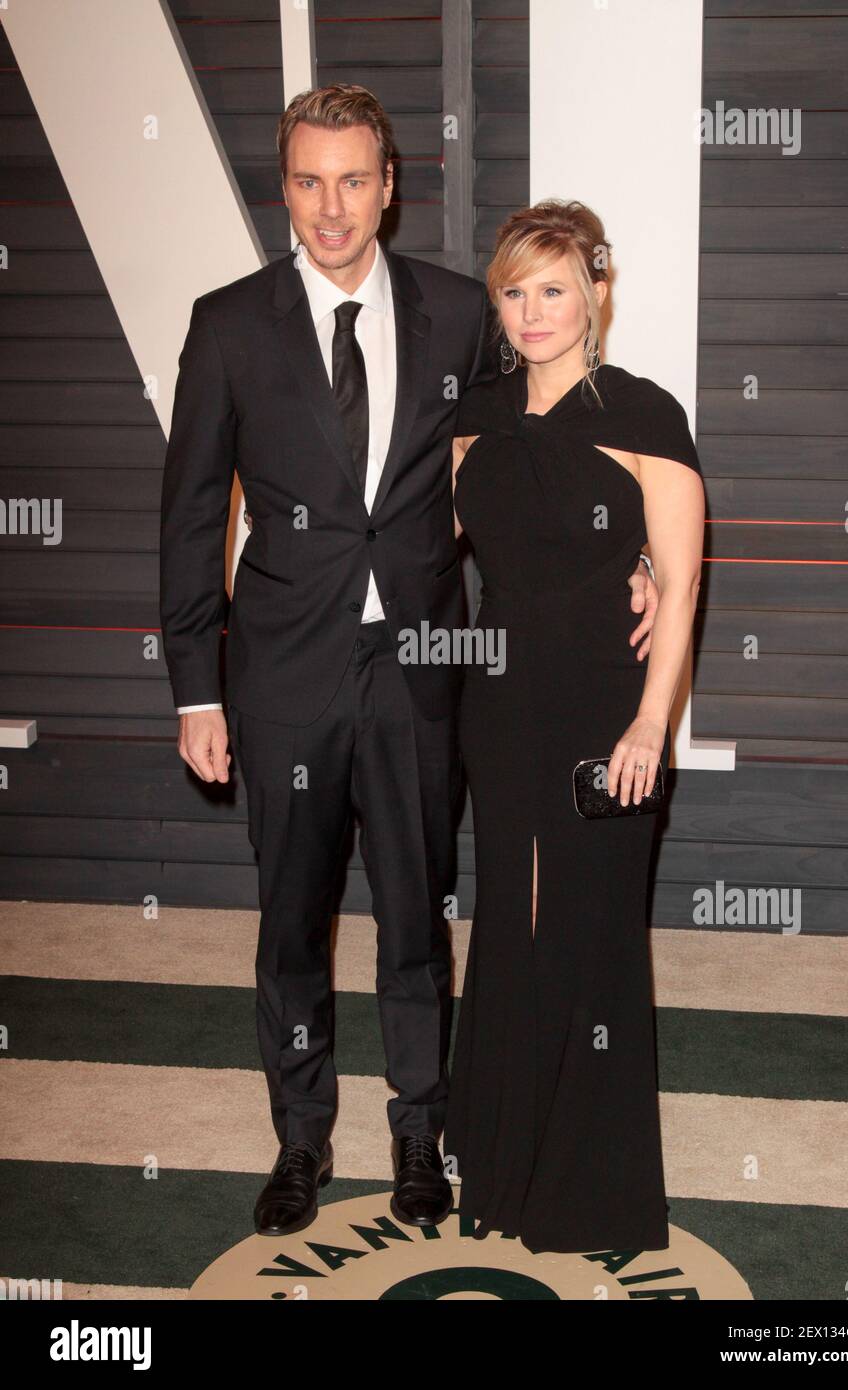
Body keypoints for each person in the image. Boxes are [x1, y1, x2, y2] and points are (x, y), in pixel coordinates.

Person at [159, 84, 660, 1239]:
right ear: (281, 188)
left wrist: (629, 554)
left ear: (390, 185)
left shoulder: (452, 311)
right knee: (291, 920)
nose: (330, 208)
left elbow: (546, 433)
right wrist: (196, 683)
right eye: (306, 181)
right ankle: (299, 1140)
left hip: (428, 666)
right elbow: (189, 515)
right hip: (279, 672)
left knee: (416, 917)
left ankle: (418, 1135)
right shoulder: (227, 324)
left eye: (352, 180)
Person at [442, 199, 705, 1254]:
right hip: (498, 707)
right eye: (512, 290)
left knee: (592, 931)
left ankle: (585, 1188)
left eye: (553, 288)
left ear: (595, 291)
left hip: (608, 702)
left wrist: (651, 724)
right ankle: (500, 1161)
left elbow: (679, 585)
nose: (530, 310)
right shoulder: (472, 416)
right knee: (510, 917)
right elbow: (418, 553)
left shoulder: (645, 413)